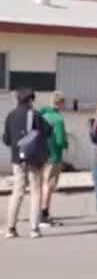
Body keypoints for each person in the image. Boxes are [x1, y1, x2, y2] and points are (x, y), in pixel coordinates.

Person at [3, 88, 52, 238]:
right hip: (34, 159)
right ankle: (34, 229)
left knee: (17, 192)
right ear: (31, 100)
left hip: (17, 159)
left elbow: (6, 139)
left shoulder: (11, 115)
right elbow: (48, 131)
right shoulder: (35, 115)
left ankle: (11, 228)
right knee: (35, 191)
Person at [38, 91, 68, 228]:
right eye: (63, 103)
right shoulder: (58, 119)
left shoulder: (41, 115)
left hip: (39, 155)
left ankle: (37, 212)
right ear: (59, 103)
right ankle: (44, 215)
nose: (64, 105)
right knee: (48, 185)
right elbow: (60, 140)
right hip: (53, 156)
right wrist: (66, 144)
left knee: (40, 184)